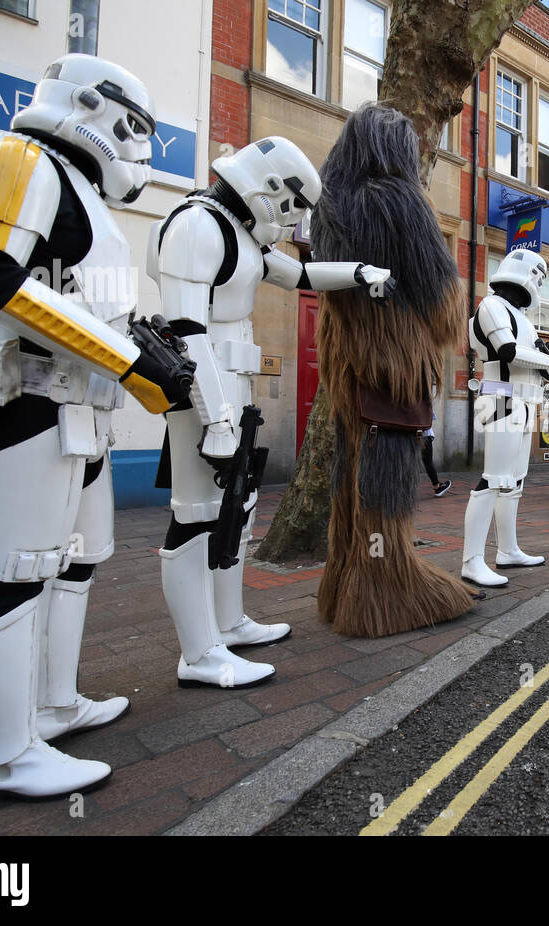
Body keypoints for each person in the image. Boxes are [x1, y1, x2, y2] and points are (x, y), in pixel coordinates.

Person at [0, 55, 187, 797]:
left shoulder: (78, 191)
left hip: (78, 409)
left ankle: (51, 706)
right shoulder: (13, 158)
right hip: (19, 396)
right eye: (136, 128)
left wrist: (134, 346)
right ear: (96, 107)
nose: (141, 147)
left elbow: (83, 304)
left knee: (73, 561)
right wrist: (128, 358)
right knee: (15, 571)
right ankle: (5, 756)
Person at [147, 136, 394, 687]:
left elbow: (302, 277)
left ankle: (227, 625)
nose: (290, 223)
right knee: (196, 517)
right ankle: (198, 652)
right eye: (292, 209)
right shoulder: (195, 226)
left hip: (233, 390)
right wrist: (214, 416)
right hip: (202, 395)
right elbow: (185, 332)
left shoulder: (234, 233)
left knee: (235, 508)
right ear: (270, 191)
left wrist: (359, 273)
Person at [462, 250, 549, 587]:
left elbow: (536, 355)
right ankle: (471, 559)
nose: (539, 284)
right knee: (494, 479)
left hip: (524, 402)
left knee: (514, 481)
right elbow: (507, 351)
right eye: (538, 276)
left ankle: (507, 550)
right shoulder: (491, 306)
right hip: (500, 399)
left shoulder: (520, 317)